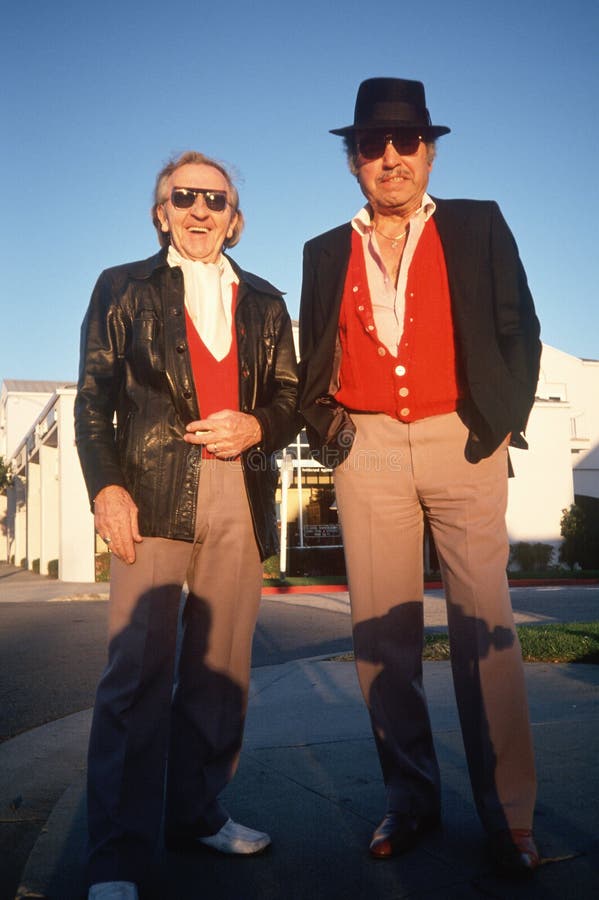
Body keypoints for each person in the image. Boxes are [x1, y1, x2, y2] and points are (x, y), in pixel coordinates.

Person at [299, 78, 541, 875]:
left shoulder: (477, 224)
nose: (390, 157)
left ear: (428, 151)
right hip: (365, 449)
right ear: (353, 160)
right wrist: (328, 430)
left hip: (462, 440)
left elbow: (519, 327)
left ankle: (509, 815)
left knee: (484, 632)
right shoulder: (324, 250)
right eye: (373, 144)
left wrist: (501, 418)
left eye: (406, 142)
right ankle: (409, 802)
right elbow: (313, 360)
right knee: (382, 638)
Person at [75, 150, 299, 900]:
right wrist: (106, 484)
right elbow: (92, 398)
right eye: (184, 196)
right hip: (149, 491)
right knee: (135, 675)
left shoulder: (267, 301)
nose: (200, 209)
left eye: (215, 199)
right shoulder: (123, 287)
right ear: (160, 210)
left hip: (240, 494)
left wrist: (257, 423)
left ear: (235, 219)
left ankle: (197, 814)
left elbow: (292, 400)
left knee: (220, 671)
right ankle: (115, 854)